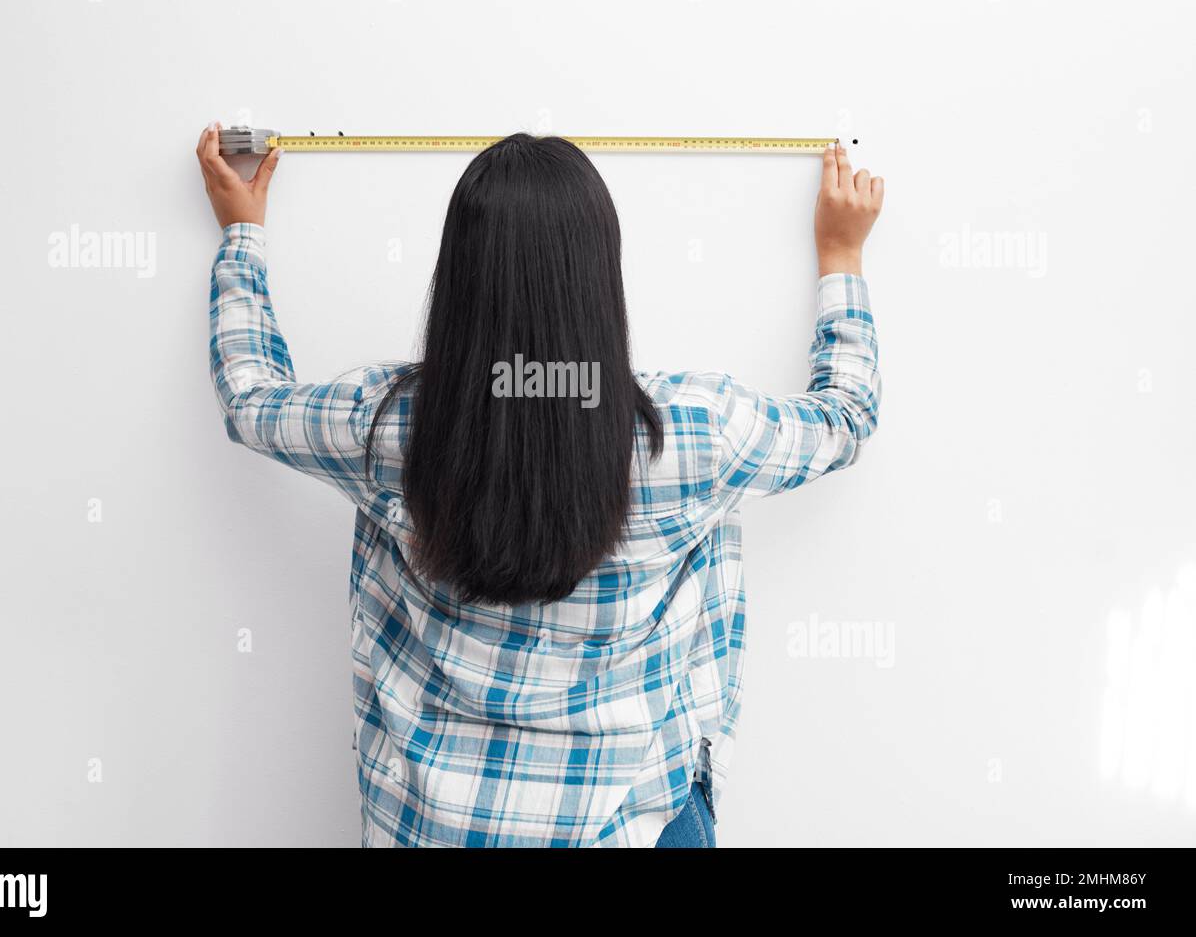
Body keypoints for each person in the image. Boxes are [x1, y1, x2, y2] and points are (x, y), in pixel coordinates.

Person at [196, 124, 884, 847]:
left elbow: (249, 401)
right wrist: (842, 254)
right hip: (632, 827)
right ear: (598, 278)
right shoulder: (693, 436)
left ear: (457, 279)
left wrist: (243, 233)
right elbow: (845, 419)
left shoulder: (386, 430)